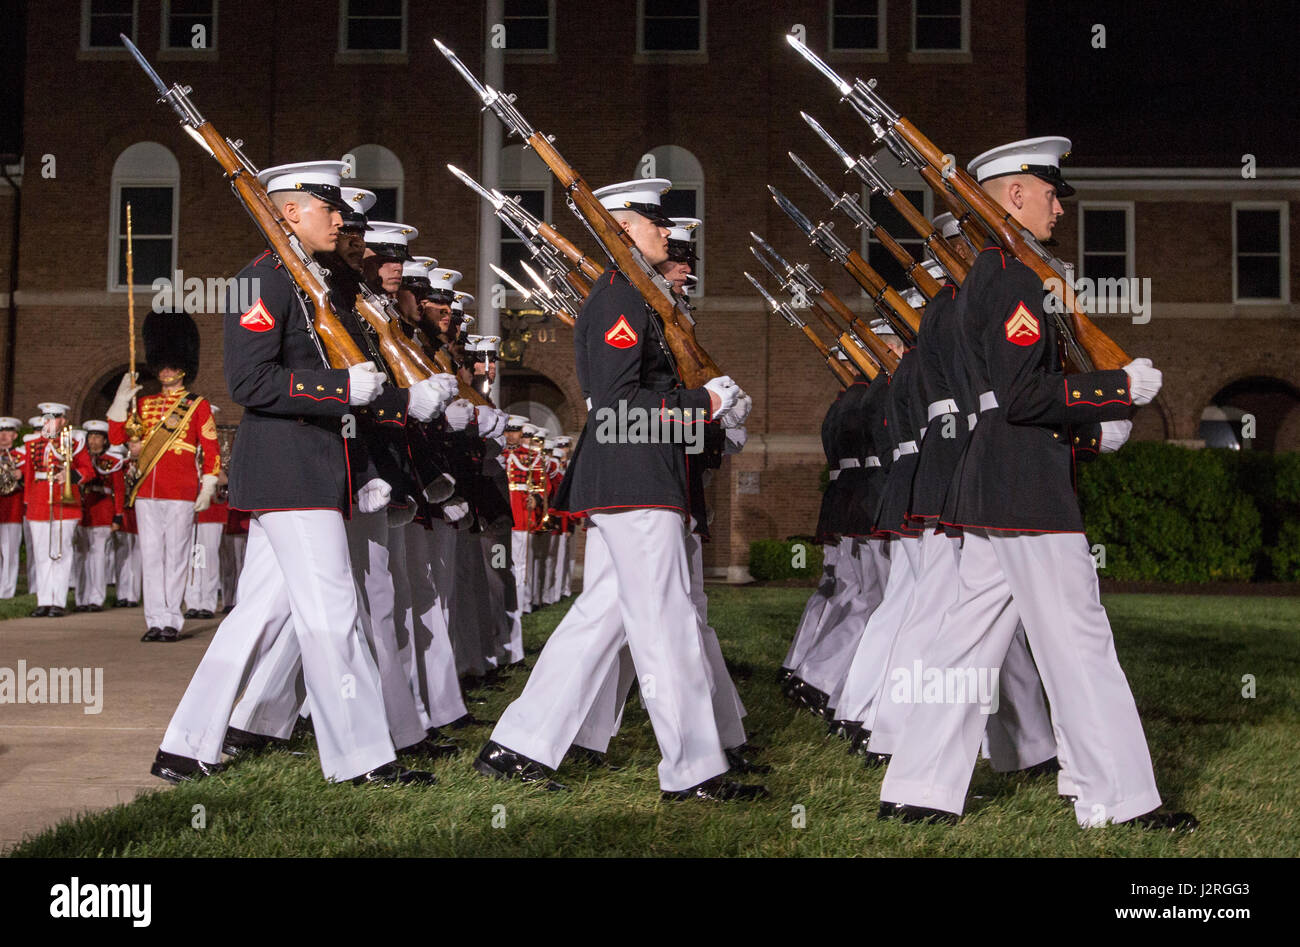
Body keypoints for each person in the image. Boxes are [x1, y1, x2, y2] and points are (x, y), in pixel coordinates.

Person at [878, 137, 1195, 830]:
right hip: (1026, 485)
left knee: (963, 643)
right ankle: (1116, 797)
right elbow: (1023, 396)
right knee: (1077, 640)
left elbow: (997, 395)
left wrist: (1087, 421)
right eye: (1049, 193)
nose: (1059, 207)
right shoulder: (1018, 279)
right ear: (1014, 195)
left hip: (985, 483)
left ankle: (918, 787)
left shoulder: (976, 284)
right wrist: (1115, 388)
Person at [476, 178, 764, 801]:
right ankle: (694, 770)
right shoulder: (620, 299)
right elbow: (617, 407)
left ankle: (520, 745)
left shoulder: (639, 299)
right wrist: (701, 404)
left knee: (606, 615)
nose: (668, 232)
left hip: (644, 473)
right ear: (625, 228)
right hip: (634, 476)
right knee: (665, 624)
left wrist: (710, 426)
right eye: (655, 222)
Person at [151, 159, 432, 788]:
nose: (339, 217)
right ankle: (362, 759)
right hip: (288, 467)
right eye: (325, 207)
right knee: (333, 613)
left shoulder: (320, 282)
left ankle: (186, 745)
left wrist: (390, 409)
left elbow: (355, 386)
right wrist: (338, 387)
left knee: (259, 616)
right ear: (287, 212)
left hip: (317, 467)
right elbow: (249, 381)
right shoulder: (263, 279)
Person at [107, 310, 220, 642]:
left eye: (172, 365)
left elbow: (211, 450)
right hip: (147, 492)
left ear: (184, 366)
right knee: (152, 556)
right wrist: (120, 400)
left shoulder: (197, 405)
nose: (166, 371)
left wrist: (208, 484)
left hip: (181, 489)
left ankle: (171, 618)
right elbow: (116, 438)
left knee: (176, 556)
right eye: (163, 365)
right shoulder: (144, 405)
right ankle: (154, 619)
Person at [22, 403, 95, 617]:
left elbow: (88, 471)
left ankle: (58, 602)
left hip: (66, 504)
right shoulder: (33, 445)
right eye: (45, 419)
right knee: (42, 553)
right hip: (39, 502)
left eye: (52, 419)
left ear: (63, 420)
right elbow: (28, 476)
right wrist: (28, 503)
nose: (47, 423)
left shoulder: (75, 443)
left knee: (61, 553)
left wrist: (70, 476)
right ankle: (43, 600)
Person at [74, 420, 124, 612]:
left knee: (97, 557)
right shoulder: (80, 459)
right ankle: (81, 598)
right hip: (82, 512)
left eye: (98, 437)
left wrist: (118, 516)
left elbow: (118, 490)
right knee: (81, 556)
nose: (93, 441)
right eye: (91, 437)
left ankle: (96, 598)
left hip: (102, 513)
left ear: (105, 441)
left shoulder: (111, 461)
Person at [0, 417, 25, 599]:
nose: (3, 436)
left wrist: (21, 475)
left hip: (13, 509)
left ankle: (6, 591)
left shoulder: (22, 456)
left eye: (7, 432)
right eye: (1, 432)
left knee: (9, 552)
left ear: (15, 435)